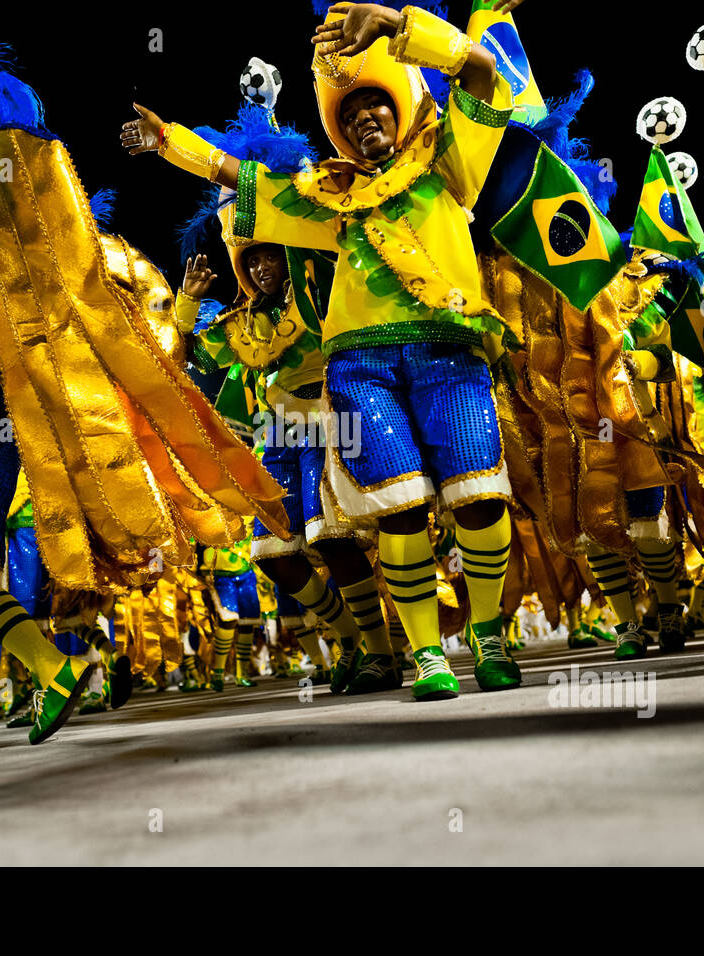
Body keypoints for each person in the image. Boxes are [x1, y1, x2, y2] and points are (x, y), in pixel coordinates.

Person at [124, 1, 523, 699]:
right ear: (338, 129)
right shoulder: (326, 202)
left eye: (378, 106)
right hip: (359, 370)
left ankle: (487, 637)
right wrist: (168, 143)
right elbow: (235, 176)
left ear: (401, 109)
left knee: (478, 498)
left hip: (450, 353)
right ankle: (426, 655)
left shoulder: (449, 165)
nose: (366, 118)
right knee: (395, 508)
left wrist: (401, 28)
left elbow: (486, 79)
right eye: (353, 113)